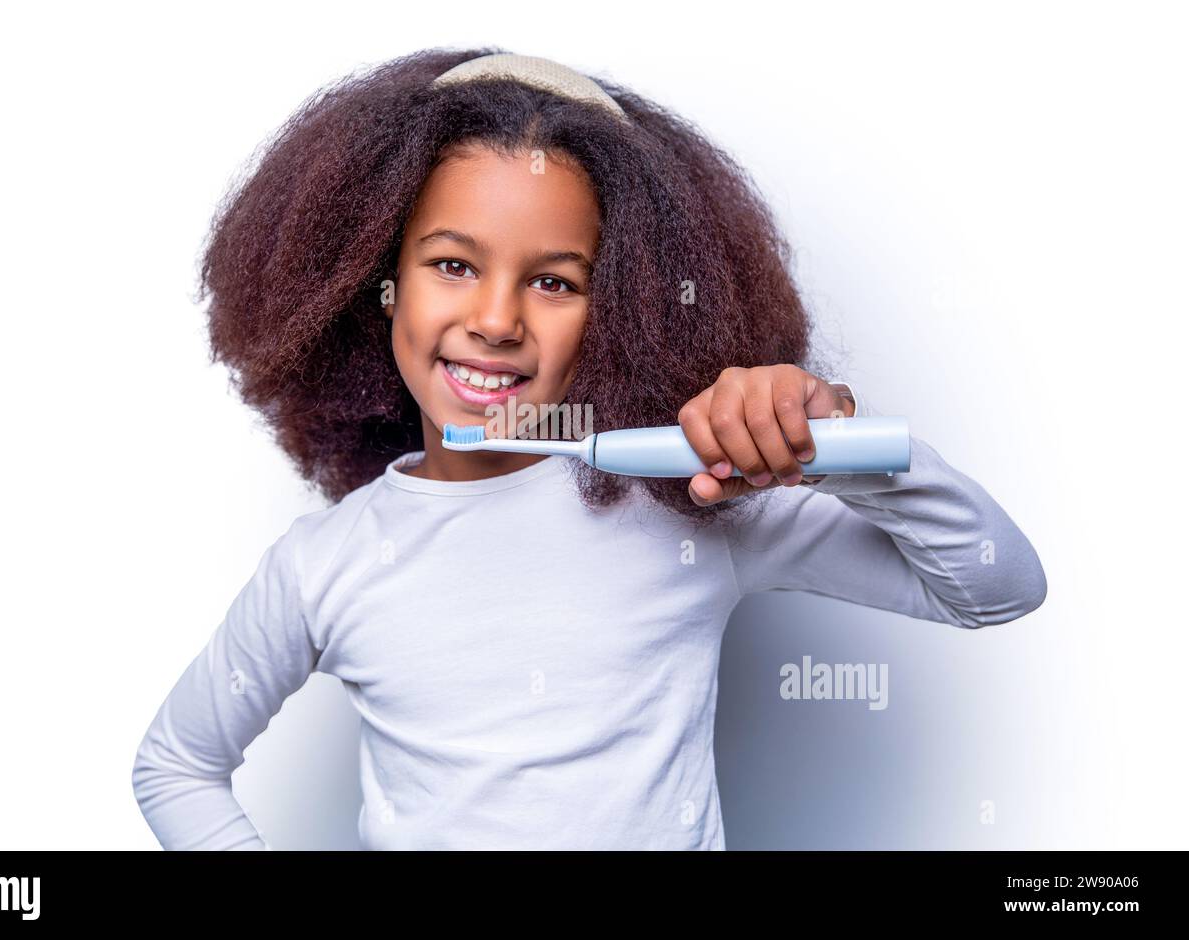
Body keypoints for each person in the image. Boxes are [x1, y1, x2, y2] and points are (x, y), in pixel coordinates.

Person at [131, 49, 1047, 850]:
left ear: (618, 314)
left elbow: (995, 588)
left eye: (554, 281)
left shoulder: (693, 506)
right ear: (380, 286)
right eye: (453, 264)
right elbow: (175, 765)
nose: (494, 321)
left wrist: (831, 442)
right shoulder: (322, 568)